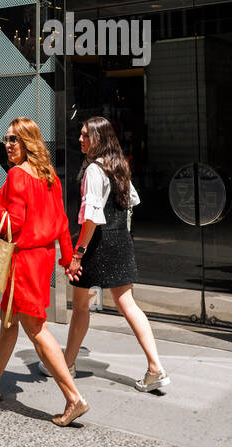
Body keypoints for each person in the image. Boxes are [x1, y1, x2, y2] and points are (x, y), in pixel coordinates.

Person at [0, 116, 88, 427]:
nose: (7, 145)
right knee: (9, 319)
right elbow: (62, 222)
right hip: (42, 258)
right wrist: (66, 260)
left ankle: (73, 398)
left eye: (14, 140)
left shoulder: (18, 176)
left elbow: (15, 224)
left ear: (28, 143)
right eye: (6, 139)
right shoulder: (50, 176)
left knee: (35, 329)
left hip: (24, 260)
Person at [57, 116, 169, 392]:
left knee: (81, 304)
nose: (80, 139)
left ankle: (68, 364)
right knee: (127, 303)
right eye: (80, 135)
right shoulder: (119, 166)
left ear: (98, 139)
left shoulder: (94, 170)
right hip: (120, 240)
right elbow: (132, 203)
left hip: (97, 243)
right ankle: (155, 368)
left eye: (85, 135)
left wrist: (78, 254)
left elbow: (92, 218)